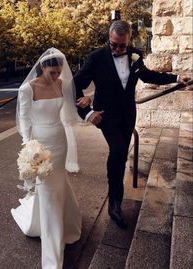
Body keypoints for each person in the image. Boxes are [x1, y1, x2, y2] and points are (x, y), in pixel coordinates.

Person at [74, 20, 190, 229]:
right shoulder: (96, 58)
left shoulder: (135, 55)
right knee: (117, 151)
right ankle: (114, 203)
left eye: (122, 45)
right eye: (114, 44)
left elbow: (147, 75)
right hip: (105, 115)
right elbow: (75, 85)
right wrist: (87, 112)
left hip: (128, 114)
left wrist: (176, 77)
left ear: (128, 40)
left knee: (121, 155)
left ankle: (116, 199)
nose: (118, 49)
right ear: (109, 39)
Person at [11, 48, 90, 269]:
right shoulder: (28, 89)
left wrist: (85, 104)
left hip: (59, 140)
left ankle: (68, 223)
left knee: (59, 183)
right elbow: (24, 120)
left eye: (59, 72)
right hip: (39, 146)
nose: (56, 76)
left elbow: (71, 108)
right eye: (52, 72)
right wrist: (28, 147)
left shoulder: (61, 85)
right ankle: (52, 258)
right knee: (46, 191)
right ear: (43, 67)